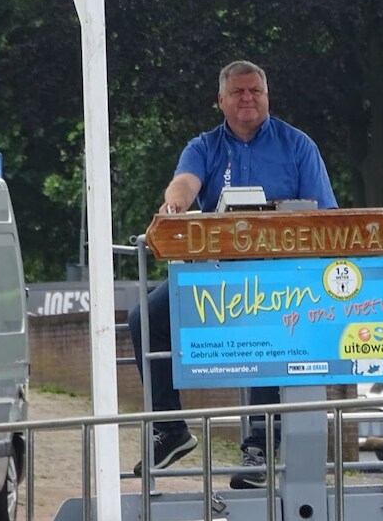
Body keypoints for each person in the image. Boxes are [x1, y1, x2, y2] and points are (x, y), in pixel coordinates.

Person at [130, 60, 337, 487]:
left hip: (280, 276)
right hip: (217, 272)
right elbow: (184, 183)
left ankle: (260, 445)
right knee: (145, 319)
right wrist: (174, 207)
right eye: (238, 92)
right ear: (221, 100)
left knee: (268, 330)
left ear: (267, 96)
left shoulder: (298, 146)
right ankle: (170, 429)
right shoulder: (204, 147)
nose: (248, 98)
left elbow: (325, 215)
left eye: (255, 91)